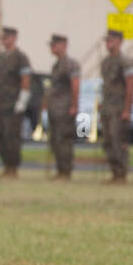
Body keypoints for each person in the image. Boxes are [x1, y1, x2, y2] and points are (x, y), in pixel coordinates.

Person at [0, 27, 32, 178]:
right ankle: (6, 165)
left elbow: (26, 80)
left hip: (13, 104)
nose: (4, 41)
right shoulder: (1, 57)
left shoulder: (20, 57)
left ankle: (13, 167)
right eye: (2, 38)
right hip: (0, 103)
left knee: (12, 136)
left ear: (14, 38)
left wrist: (23, 99)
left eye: (7, 38)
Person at [98, 29, 133, 184]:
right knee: (108, 141)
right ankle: (114, 172)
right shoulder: (106, 62)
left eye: (111, 40)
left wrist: (127, 109)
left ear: (120, 41)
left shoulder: (125, 61)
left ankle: (121, 173)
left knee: (117, 140)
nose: (108, 43)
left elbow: (130, 86)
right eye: (107, 40)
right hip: (108, 106)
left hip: (119, 107)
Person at [45, 34, 80, 180]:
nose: (52, 47)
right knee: (55, 141)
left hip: (65, 109)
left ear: (64, 45)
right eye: (51, 45)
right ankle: (60, 170)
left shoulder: (70, 64)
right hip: (55, 110)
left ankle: (66, 171)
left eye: (56, 44)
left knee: (64, 141)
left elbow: (75, 85)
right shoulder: (56, 65)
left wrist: (73, 105)